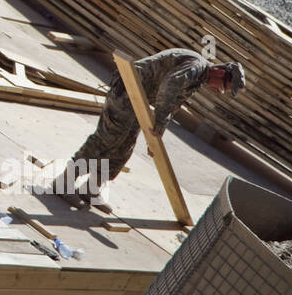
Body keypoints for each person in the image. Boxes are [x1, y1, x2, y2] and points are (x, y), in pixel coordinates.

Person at [55, 48, 246, 207]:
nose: (218, 90)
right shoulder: (195, 66)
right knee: (108, 137)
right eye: (223, 86)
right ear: (220, 73)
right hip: (127, 89)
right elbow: (168, 88)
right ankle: (64, 182)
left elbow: (176, 103)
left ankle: (91, 188)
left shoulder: (198, 78)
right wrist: (160, 120)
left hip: (140, 99)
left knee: (125, 145)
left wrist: (158, 131)